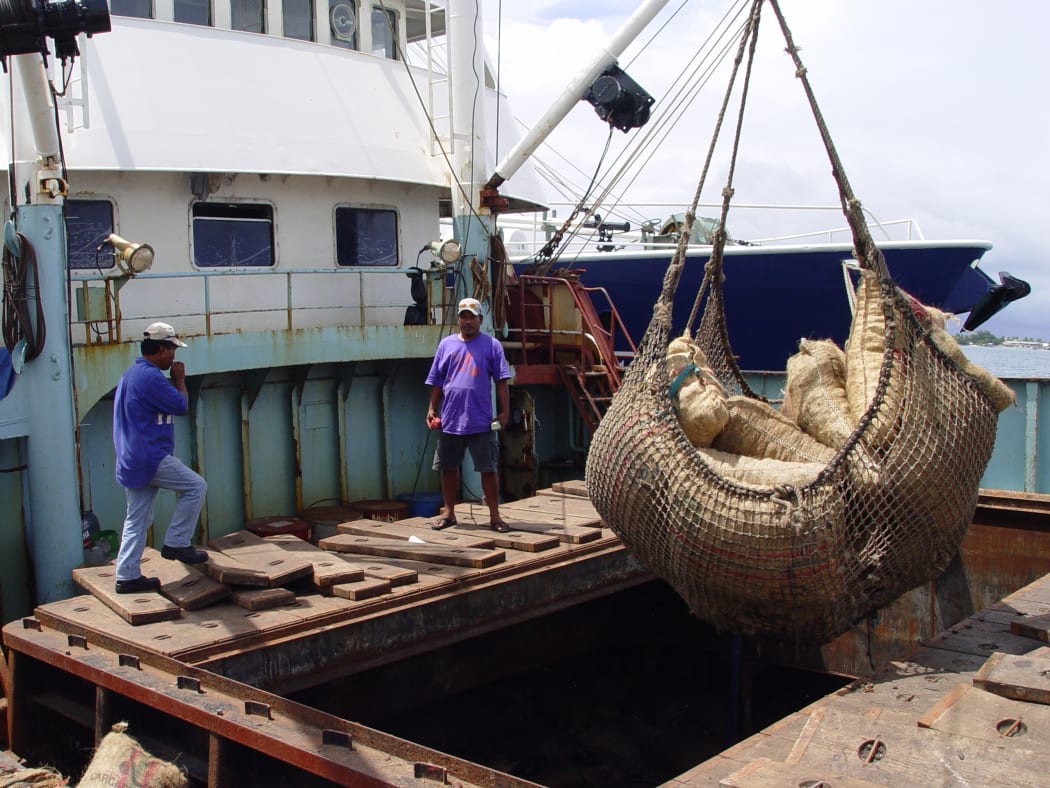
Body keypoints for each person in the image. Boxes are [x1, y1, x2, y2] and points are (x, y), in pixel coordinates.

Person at [112, 322, 208, 594]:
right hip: (149, 456)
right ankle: (177, 542)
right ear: (161, 348)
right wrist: (179, 381)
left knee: (137, 519)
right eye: (172, 349)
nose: (174, 356)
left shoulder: (131, 375)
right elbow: (180, 405)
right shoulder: (150, 377)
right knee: (196, 486)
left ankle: (127, 576)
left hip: (131, 457)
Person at [425, 297, 512, 532]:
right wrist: (432, 409)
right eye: (463, 316)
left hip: (481, 420)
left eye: (472, 316)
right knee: (448, 467)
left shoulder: (492, 345)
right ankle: (449, 513)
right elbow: (437, 381)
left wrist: (504, 412)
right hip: (450, 420)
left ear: (480, 319)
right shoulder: (446, 345)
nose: (467, 321)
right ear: (458, 319)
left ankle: (495, 516)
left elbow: (502, 381)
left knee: (488, 468)